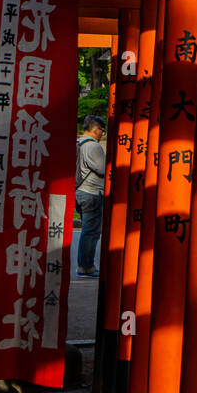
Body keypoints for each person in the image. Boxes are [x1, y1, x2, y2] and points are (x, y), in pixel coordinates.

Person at [75, 115, 108, 278]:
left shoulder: (79, 142)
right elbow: (103, 169)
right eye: (102, 130)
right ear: (96, 129)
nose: (102, 133)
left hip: (80, 191)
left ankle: (84, 264)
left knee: (86, 230)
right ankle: (86, 266)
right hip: (92, 192)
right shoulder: (93, 147)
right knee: (91, 231)